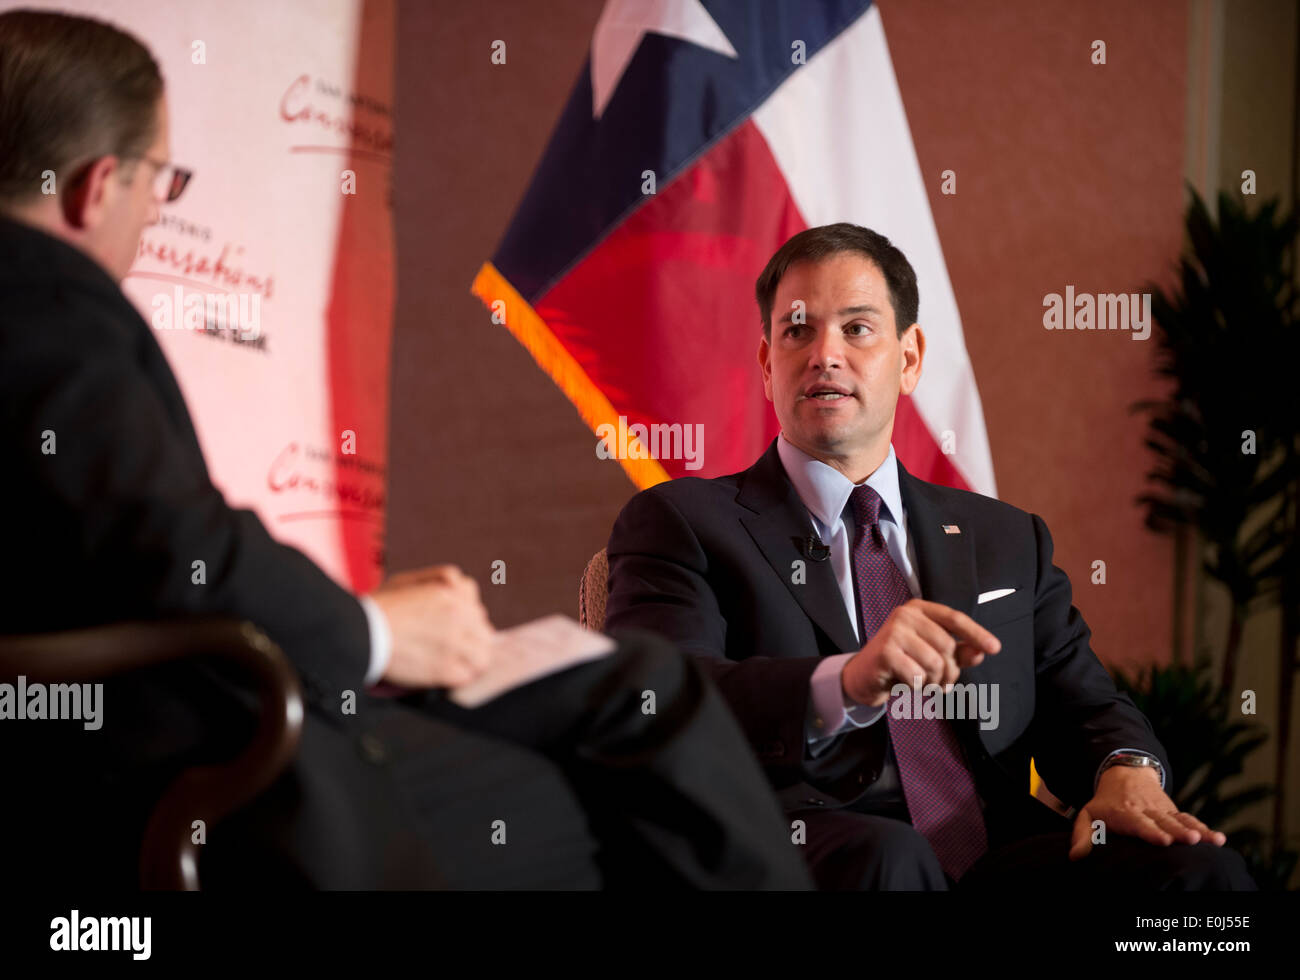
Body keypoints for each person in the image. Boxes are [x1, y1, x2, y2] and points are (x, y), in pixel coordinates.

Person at [0, 8, 811, 891]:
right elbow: (171, 546)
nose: (159, 213)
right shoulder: (44, 300)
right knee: (647, 719)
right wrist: (381, 633)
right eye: (165, 181)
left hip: (208, 723)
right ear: (95, 187)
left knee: (634, 685)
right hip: (212, 775)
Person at [604, 222, 1257, 891]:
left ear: (909, 359)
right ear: (769, 363)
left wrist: (1125, 769)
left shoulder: (1005, 538)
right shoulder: (682, 522)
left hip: (999, 856)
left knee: (1202, 874)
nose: (825, 353)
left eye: (857, 328)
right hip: (802, 847)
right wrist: (846, 681)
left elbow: (1082, 701)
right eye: (798, 330)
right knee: (890, 858)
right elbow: (657, 701)